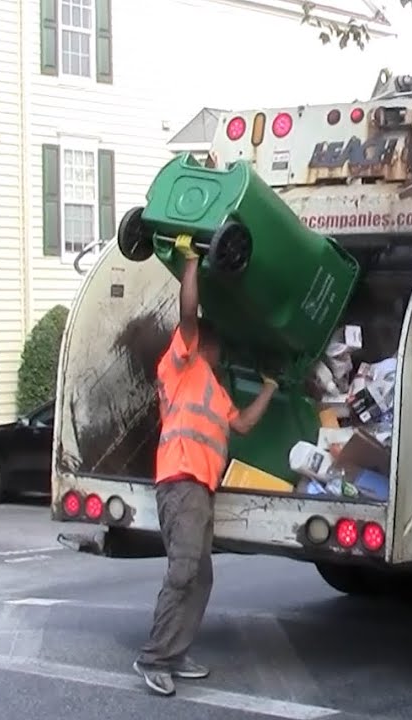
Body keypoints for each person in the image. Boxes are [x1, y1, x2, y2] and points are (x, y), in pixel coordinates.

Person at [133, 233, 278, 696]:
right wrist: (191, 262)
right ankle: (154, 657)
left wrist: (271, 390)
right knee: (183, 570)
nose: (221, 355)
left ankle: (174, 652)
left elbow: (243, 427)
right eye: (220, 349)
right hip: (180, 481)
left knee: (200, 576)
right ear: (207, 348)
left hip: (201, 489)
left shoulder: (215, 390)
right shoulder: (183, 365)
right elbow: (189, 314)